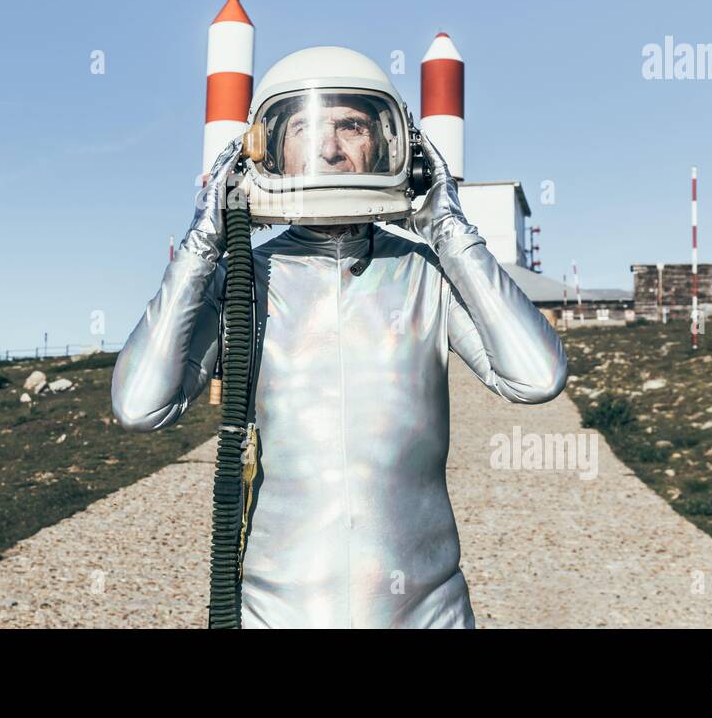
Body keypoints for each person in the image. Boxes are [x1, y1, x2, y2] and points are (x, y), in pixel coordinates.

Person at [112, 46, 567, 628]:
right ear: (270, 149)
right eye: (306, 128)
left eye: (350, 126)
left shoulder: (428, 273)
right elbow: (139, 405)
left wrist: (448, 227)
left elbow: (537, 377)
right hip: (277, 614)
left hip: (430, 613)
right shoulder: (246, 280)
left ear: (386, 144)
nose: (329, 150)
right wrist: (204, 241)